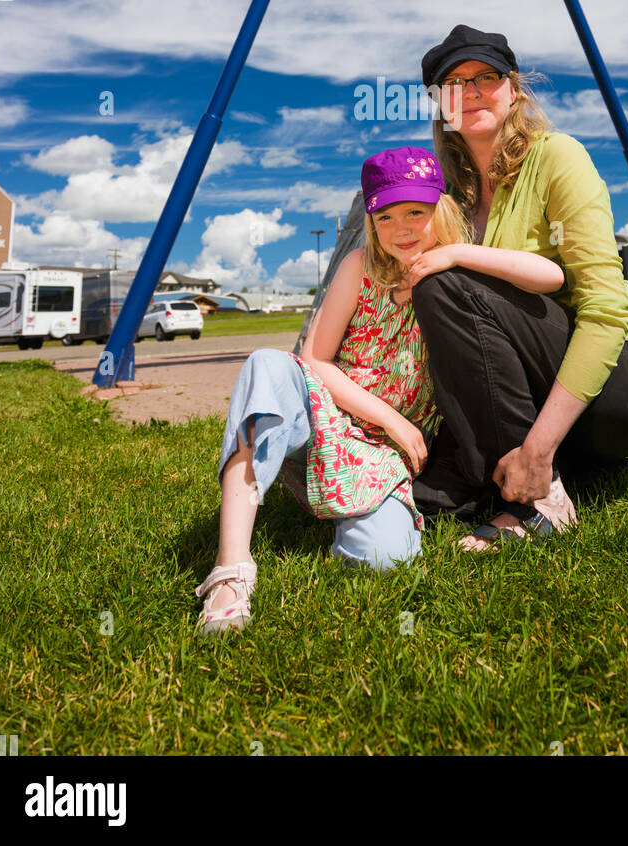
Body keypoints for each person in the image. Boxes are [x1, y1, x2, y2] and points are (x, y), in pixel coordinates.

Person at [194, 144, 565, 633]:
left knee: (383, 562)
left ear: (442, 208)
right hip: (331, 415)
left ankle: (337, 502)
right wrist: (392, 418)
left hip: (383, 457)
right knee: (268, 366)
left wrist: (454, 253)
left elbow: (551, 276)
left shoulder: (462, 272)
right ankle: (231, 570)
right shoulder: (360, 266)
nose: (401, 228)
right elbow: (316, 362)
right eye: (386, 216)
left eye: (416, 211)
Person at [408, 24, 628, 553]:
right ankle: (584, 471)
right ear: (441, 103)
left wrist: (538, 450)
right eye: (454, 83)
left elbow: (602, 309)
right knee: (427, 500)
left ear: (513, 89)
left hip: (623, 383)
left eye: (487, 76)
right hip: (532, 387)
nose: (473, 90)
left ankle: (536, 496)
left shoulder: (558, 157)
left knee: (446, 284)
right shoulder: (446, 193)